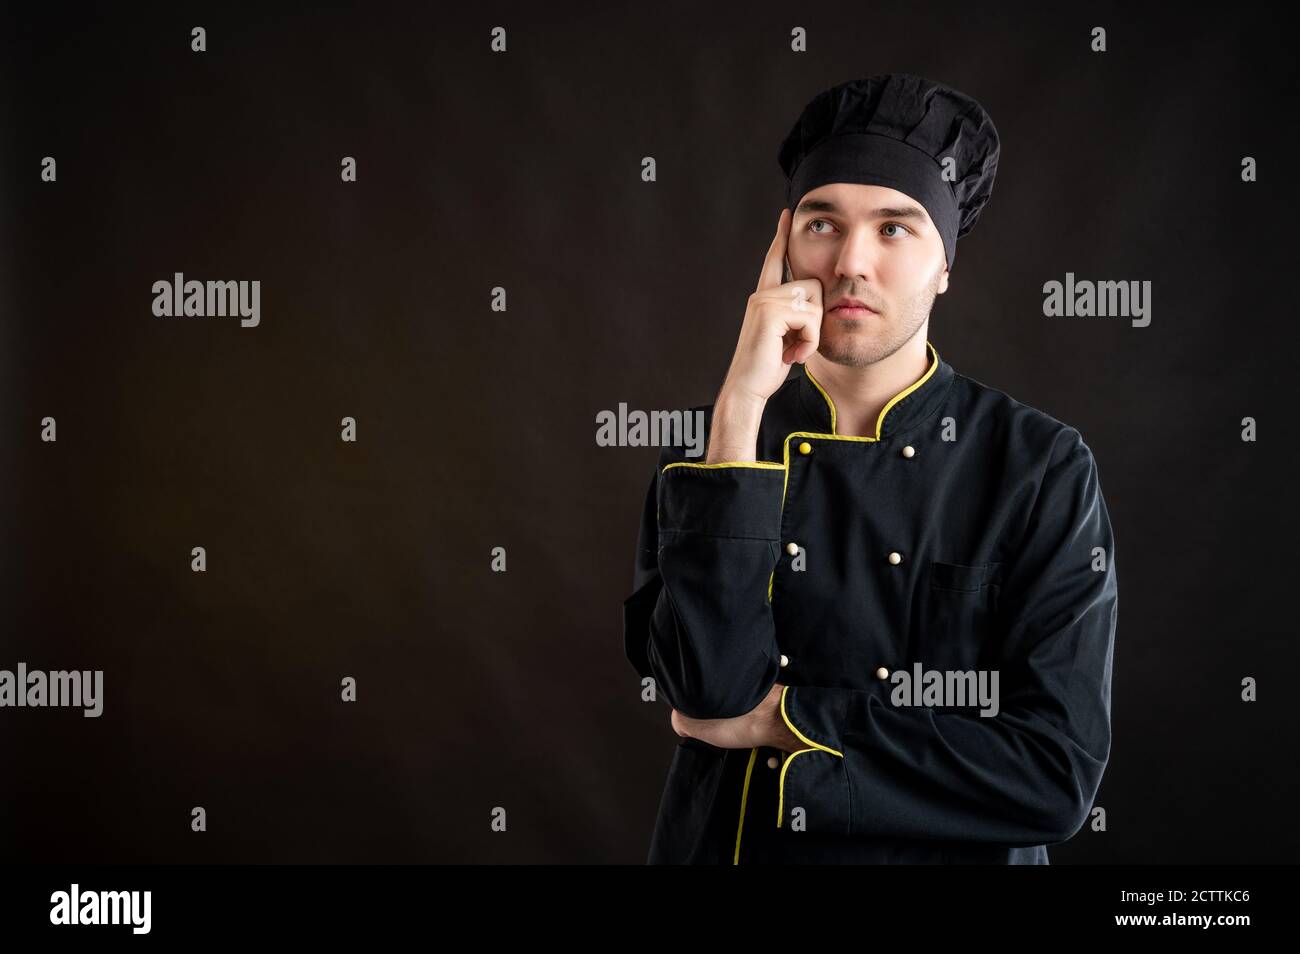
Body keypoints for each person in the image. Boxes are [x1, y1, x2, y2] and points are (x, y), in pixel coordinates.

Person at [622, 73, 1118, 864]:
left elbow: (1053, 777)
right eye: (824, 223)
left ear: (944, 266)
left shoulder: (1038, 467)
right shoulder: (713, 439)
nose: (852, 262)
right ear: (784, 242)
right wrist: (743, 403)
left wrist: (785, 718)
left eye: (895, 229)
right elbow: (708, 692)